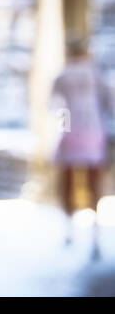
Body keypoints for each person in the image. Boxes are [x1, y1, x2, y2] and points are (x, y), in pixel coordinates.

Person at [53, 36, 110, 259]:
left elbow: (59, 107)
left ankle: (70, 231)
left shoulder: (64, 76)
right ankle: (94, 235)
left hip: (72, 134)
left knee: (68, 183)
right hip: (93, 133)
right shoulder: (95, 75)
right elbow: (109, 104)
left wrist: (66, 130)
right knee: (93, 184)